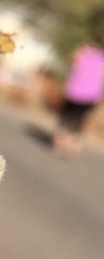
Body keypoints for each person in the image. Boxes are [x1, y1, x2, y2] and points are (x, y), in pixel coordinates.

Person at [54, 16, 104, 157]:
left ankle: (60, 142)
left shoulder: (82, 52)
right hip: (90, 94)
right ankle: (72, 145)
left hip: (75, 91)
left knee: (67, 117)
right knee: (80, 120)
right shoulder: (101, 57)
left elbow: (72, 64)